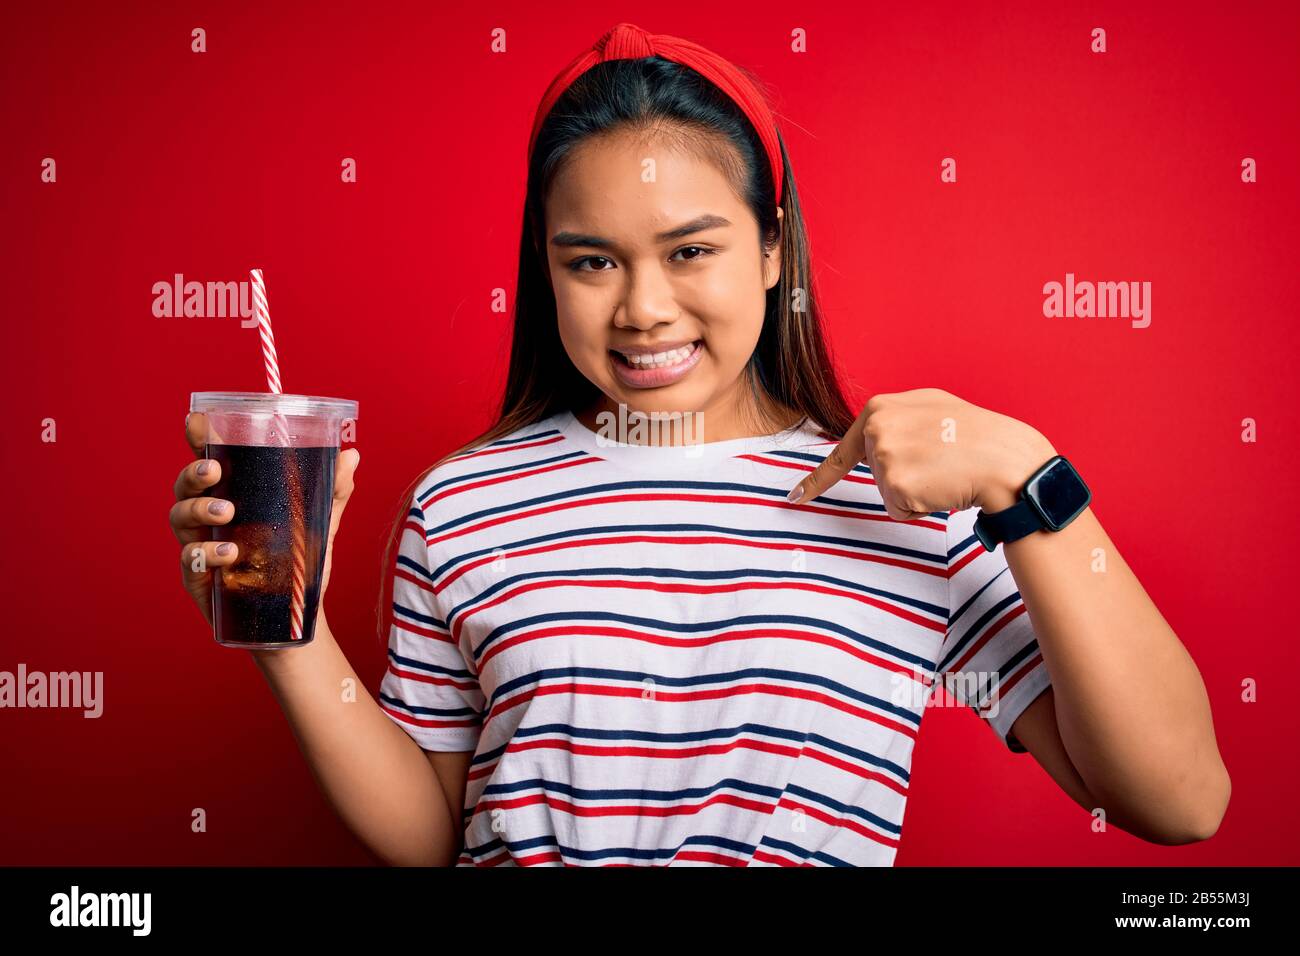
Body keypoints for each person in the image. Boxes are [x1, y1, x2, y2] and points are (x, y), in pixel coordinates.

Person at [170, 22, 1229, 866]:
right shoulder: (460, 503)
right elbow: (433, 833)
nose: (641, 308)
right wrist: (287, 635)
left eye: (690, 251)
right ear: (545, 268)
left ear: (772, 248)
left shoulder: (898, 497)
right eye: (590, 262)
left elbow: (1179, 799)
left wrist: (1026, 478)